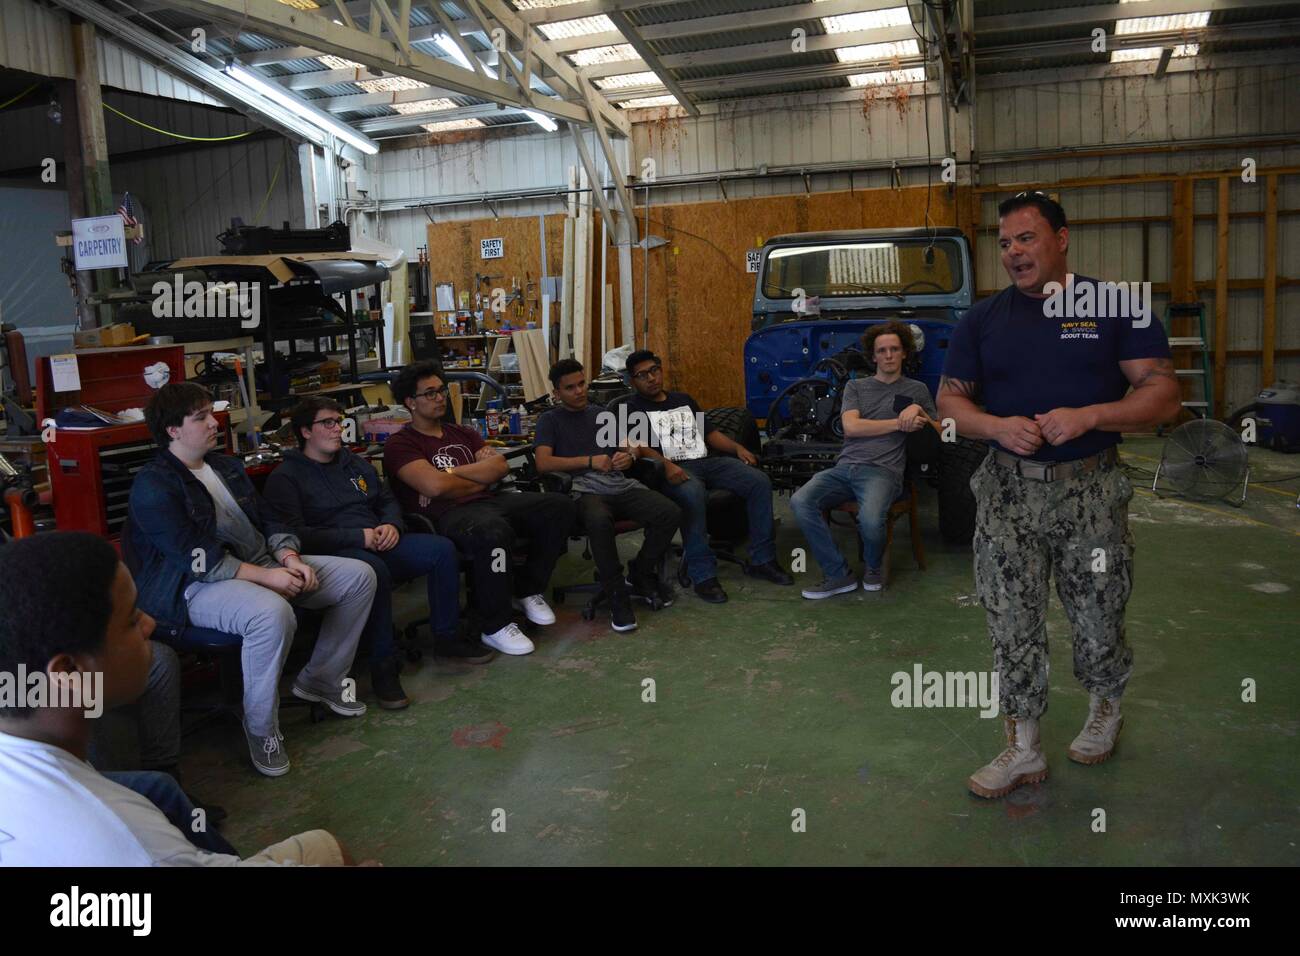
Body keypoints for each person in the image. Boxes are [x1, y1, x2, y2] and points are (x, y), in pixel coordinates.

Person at [937, 191, 1179, 799]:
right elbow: (950, 402)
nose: (1015, 252)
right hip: (1006, 495)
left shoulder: (1114, 307)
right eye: (1006, 242)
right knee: (1009, 619)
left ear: (1062, 239)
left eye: (1027, 238)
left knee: (1098, 613)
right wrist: (994, 426)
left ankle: (1105, 709)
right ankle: (1022, 748)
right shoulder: (982, 319)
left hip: (1089, 493)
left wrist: (1093, 415)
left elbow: (1164, 395)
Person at [0, 532, 371, 865]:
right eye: (132, 620)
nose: (149, 625)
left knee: (157, 787)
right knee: (328, 846)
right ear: (68, 674)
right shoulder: (134, 844)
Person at [127, 383, 378, 778]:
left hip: (258, 562)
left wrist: (289, 557)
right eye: (201, 417)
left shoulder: (226, 466)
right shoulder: (155, 484)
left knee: (359, 576)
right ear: (173, 430)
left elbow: (270, 519)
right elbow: (197, 559)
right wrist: (269, 578)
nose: (215, 422)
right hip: (192, 586)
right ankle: (262, 729)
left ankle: (321, 680)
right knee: (272, 614)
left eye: (212, 412)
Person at [264, 397, 490, 711]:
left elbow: (387, 499)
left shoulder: (355, 463)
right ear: (305, 431)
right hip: (338, 552)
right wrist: (358, 537)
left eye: (338, 421)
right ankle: (383, 666)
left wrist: (391, 524)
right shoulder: (286, 477)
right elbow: (297, 534)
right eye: (327, 423)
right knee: (375, 573)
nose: (336, 428)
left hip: (379, 538)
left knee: (441, 550)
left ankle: (447, 637)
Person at [383, 361, 576, 656]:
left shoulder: (462, 432)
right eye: (430, 393)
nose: (440, 398)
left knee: (559, 506)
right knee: (492, 532)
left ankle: (526, 588)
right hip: (447, 515)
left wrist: (451, 476)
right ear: (410, 402)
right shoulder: (401, 444)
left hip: (489, 501)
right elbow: (434, 488)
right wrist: (475, 476)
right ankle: (495, 625)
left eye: (442, 390)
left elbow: (498, 466)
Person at [623, 350, 793, 604]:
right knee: (692, 494)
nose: (651, 378)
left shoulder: (683, 400)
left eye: (654, 370)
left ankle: (763, 560)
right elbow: (633, 444)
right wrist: (667, 465)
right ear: (632, 381)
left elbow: (710, 435)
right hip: (666, 471)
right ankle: (703, 575)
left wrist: (738, 448)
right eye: (642, 375)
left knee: (758, 481)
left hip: (705, 461)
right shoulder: (629, 407)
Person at [790, 322, 937, 597]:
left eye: (895, 349)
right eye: (882, 350)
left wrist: (918, 409)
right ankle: (838, 574)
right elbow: (852, 428)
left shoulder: (917, 389)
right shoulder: (856, 387)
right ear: (874, 357)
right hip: (845, 467)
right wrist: (898, 423)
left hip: (884, 472)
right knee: (800, 501)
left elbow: (942, 432)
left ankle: (873, 567)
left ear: (904, 353)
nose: (889, 355)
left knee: (870, 519)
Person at [534, 359, 682, 633]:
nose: (579, 391)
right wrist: (590, 461)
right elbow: (543, 464)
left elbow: (628, 446)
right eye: (570, 388)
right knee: (600, 522)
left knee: (668, 512)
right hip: (582, 490)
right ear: (556, 393)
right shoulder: (549, 420)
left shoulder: (601, 414)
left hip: (617, 484)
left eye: (581, 384)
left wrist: (628, 456)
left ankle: (639, 572)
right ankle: (617, 595)